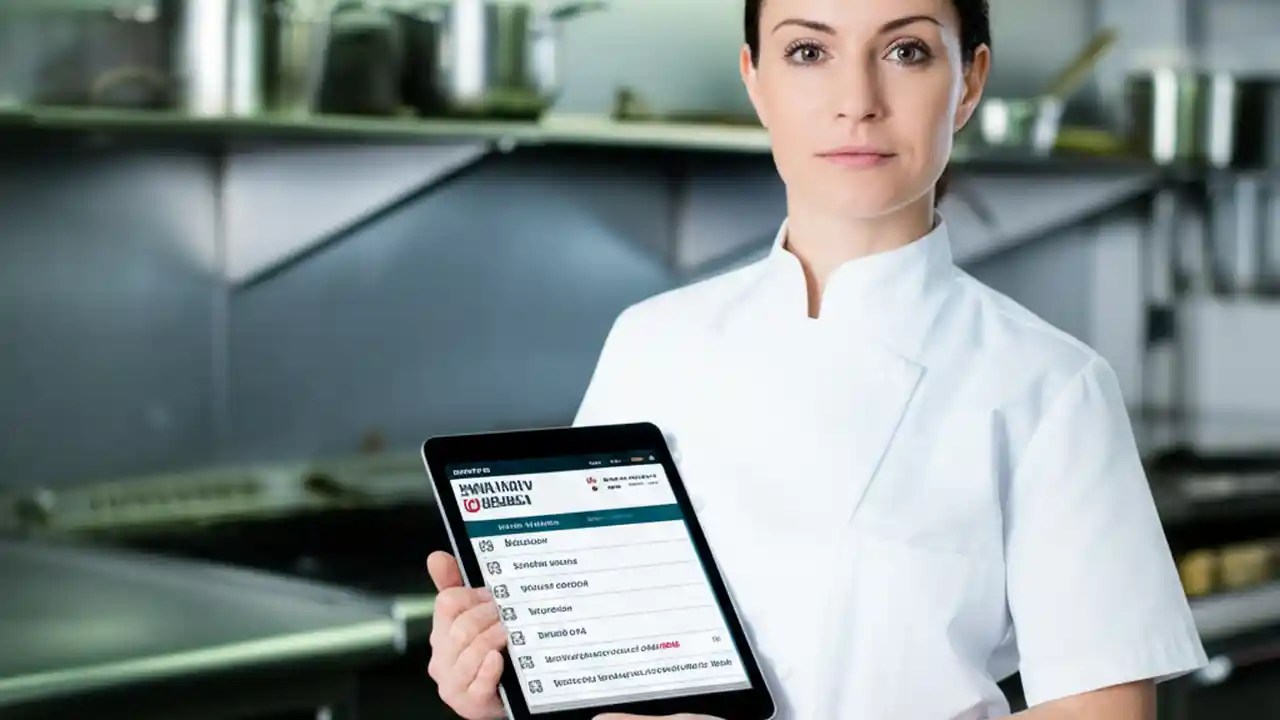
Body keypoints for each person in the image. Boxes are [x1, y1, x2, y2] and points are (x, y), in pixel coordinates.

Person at [426, 0, 1208, 717]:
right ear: (755, 81)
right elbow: (602, 679)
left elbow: (1102, 713)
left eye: (904, 51)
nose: (857, 100)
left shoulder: (1050, 386)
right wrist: (501, 689)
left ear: (968, 83)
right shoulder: (651, 342)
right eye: (808, 52)